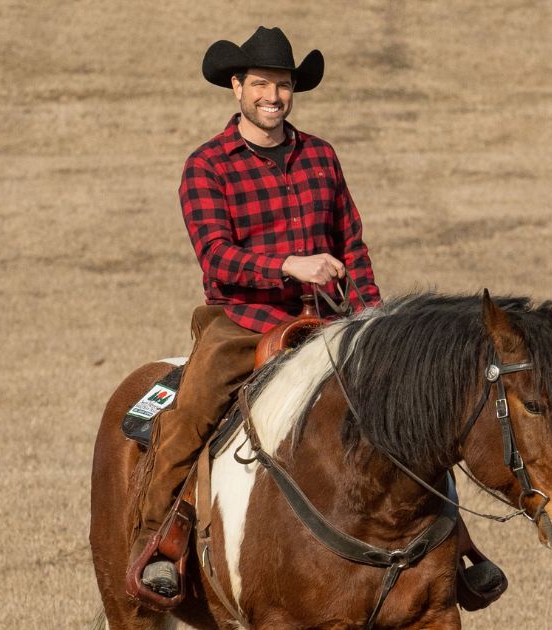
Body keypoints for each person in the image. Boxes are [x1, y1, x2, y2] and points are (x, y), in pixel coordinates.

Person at [131, 26, 382, 599]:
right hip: (242, 323)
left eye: (284, 84)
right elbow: (217, 258)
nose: (274, 96)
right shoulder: (207, 166)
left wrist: (372, 321)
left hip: (328, 319)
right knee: (192, 411)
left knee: (402, 403)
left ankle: (454, 541)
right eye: (262, 84)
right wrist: (290, 265)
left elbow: (353, 247)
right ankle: (159, 541)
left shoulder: (321, 156)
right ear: (237, 87)